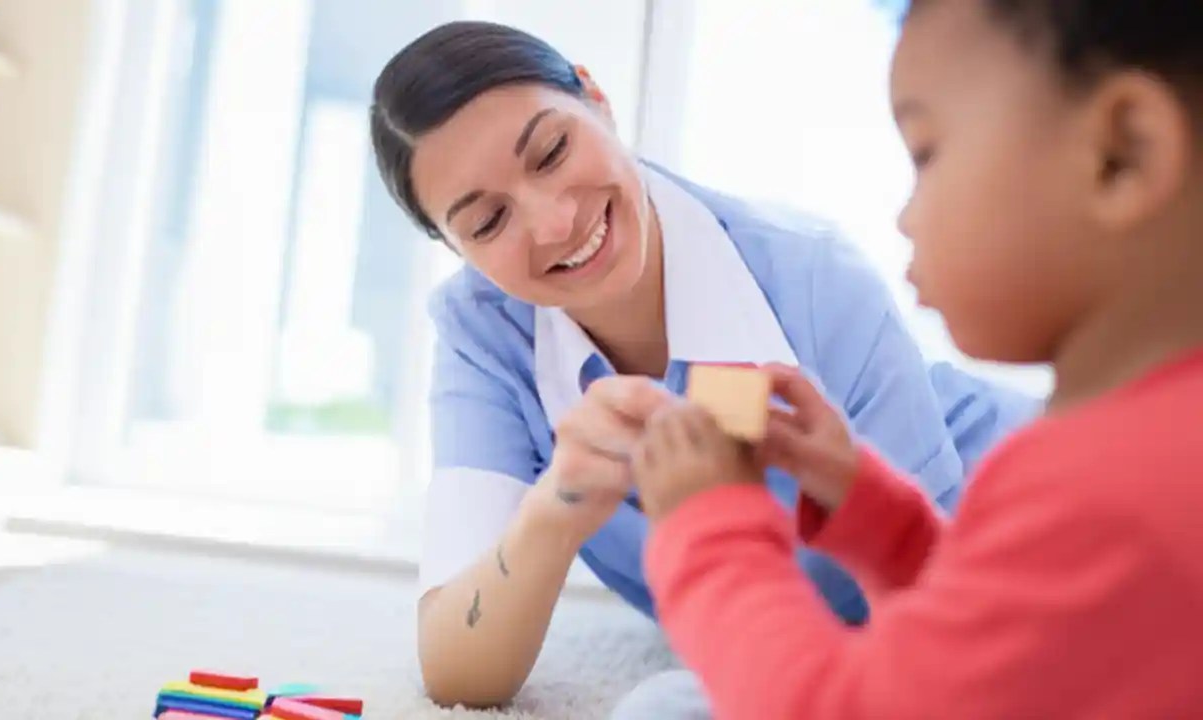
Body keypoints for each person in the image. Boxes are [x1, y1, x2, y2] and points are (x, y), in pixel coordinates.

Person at [369, 20, 1037, 710]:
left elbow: (938, 625)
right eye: (487, 223)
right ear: (456, 247)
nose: (553, 222)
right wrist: (555, 506)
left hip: (1014, 512)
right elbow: (458, 674)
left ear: (595, 98)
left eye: (551, 152)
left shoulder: (809, 274)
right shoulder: (483, 328)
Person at [632, 0, 1203, 717]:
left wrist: (707, 524)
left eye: (926, 152)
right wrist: (871, 511)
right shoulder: (1155, 450)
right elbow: (1005, 648)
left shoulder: (1098, 481)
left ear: (1123, 156)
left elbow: (839, 707)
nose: (904, 216)